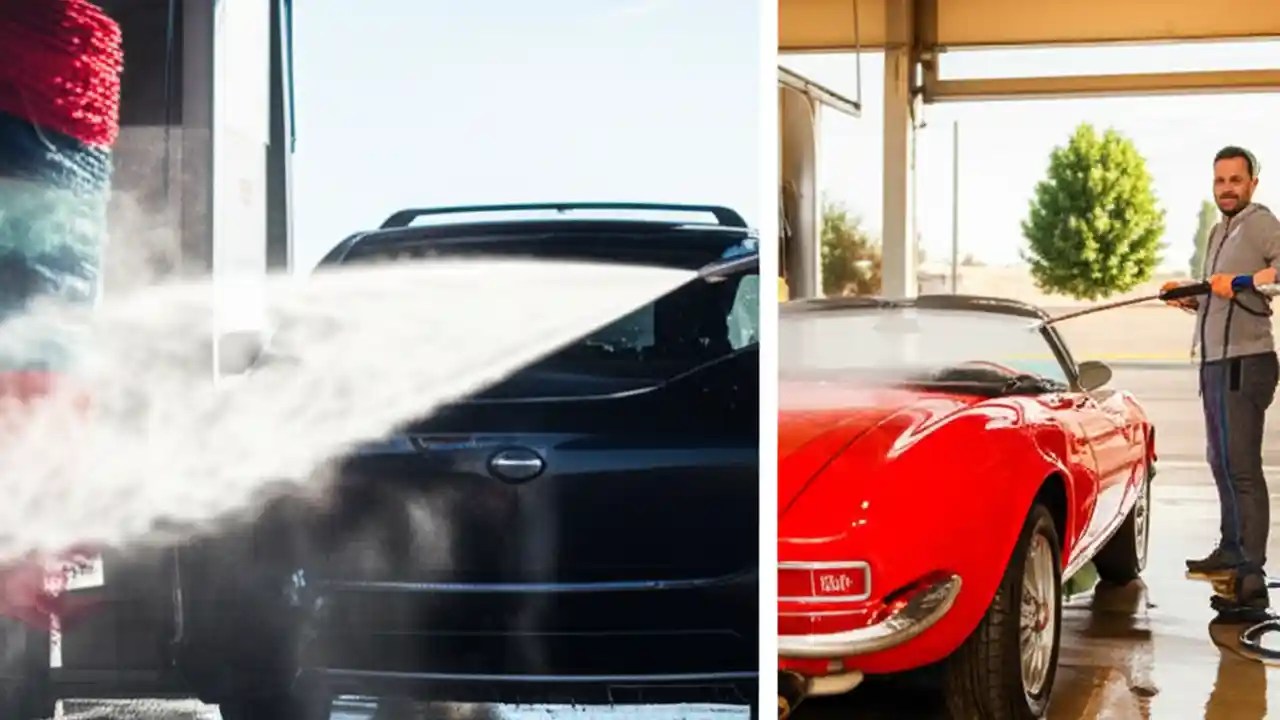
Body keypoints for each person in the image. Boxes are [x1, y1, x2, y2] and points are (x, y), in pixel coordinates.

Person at [1164, 145, 1280, 620]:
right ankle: (1232, 550)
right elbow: (1222, 292)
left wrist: (1239, 281)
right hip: (1214, 363)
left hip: (1245, 361)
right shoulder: (1219, 230)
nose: (1226, 188)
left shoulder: (1262, 223)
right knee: (1220, 461)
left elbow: (1266, 278)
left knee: (1242, 468)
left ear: (1252, 182)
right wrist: (1191, 298)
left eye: (1235, 179)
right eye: (1219, 181)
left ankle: (1251, 579)